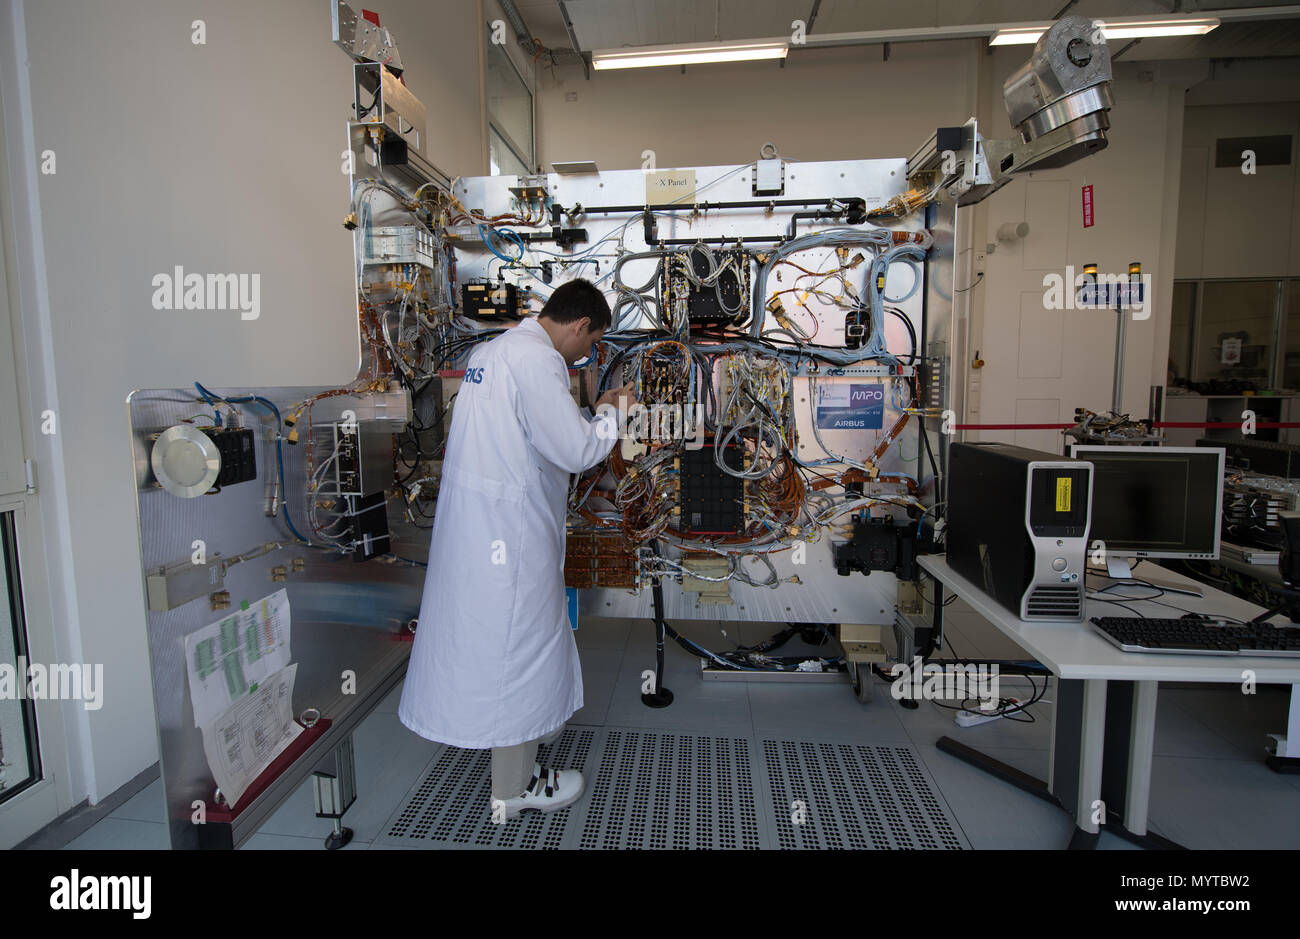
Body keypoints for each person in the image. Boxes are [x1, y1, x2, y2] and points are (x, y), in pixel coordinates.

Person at [398, 278, 636, 819]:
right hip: (511, 538)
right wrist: (609, 410)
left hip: (481, 533)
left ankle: (537, 729)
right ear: (579, 325)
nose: (588, 354)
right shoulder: (537, 361)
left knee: (506, 644)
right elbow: (577, 449)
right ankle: (513, 789)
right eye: (592, 342)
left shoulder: (491, 352)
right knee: (519, 649)